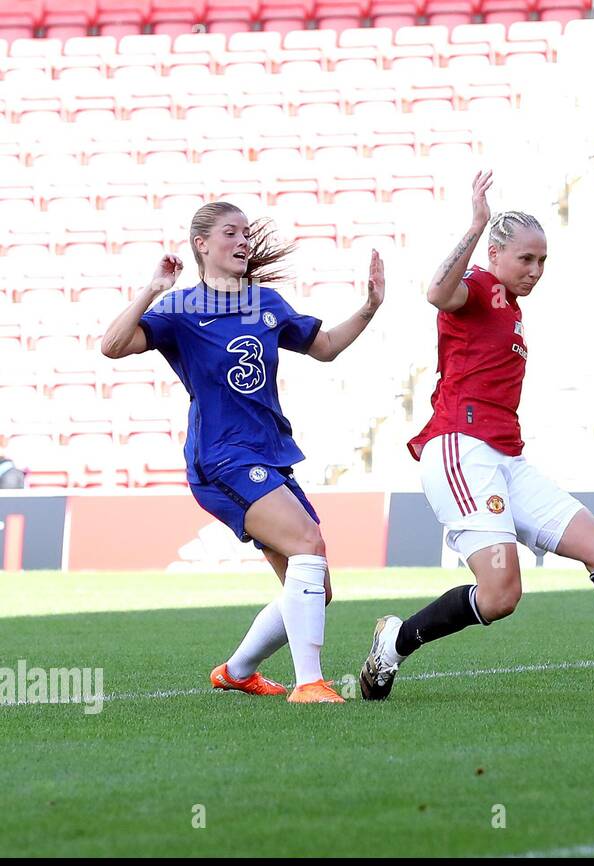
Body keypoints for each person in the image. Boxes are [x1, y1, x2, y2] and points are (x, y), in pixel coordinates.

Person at [359, 171, 594, 700]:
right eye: (526, 259)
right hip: (459, 449)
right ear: (495, 254)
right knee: (500, 596)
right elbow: (435, 292)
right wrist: (474, 224)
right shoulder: (476, 285)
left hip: (505, 457)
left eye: (542, 262)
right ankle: (396, 641)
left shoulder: (509, 308)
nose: (536, 271)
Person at [101, 201, 386, 703]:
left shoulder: (266, 302)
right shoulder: (180, 308)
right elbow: (113, 345)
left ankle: (236, 672)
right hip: (221, 457)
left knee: (316, 590)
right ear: (202, 244)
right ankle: (310, 684)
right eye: (230, 233)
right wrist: (151, 289)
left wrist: (368, 308)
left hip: (270, 453)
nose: (242, 242)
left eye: (246, 234)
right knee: (306, 544)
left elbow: (325, 348)